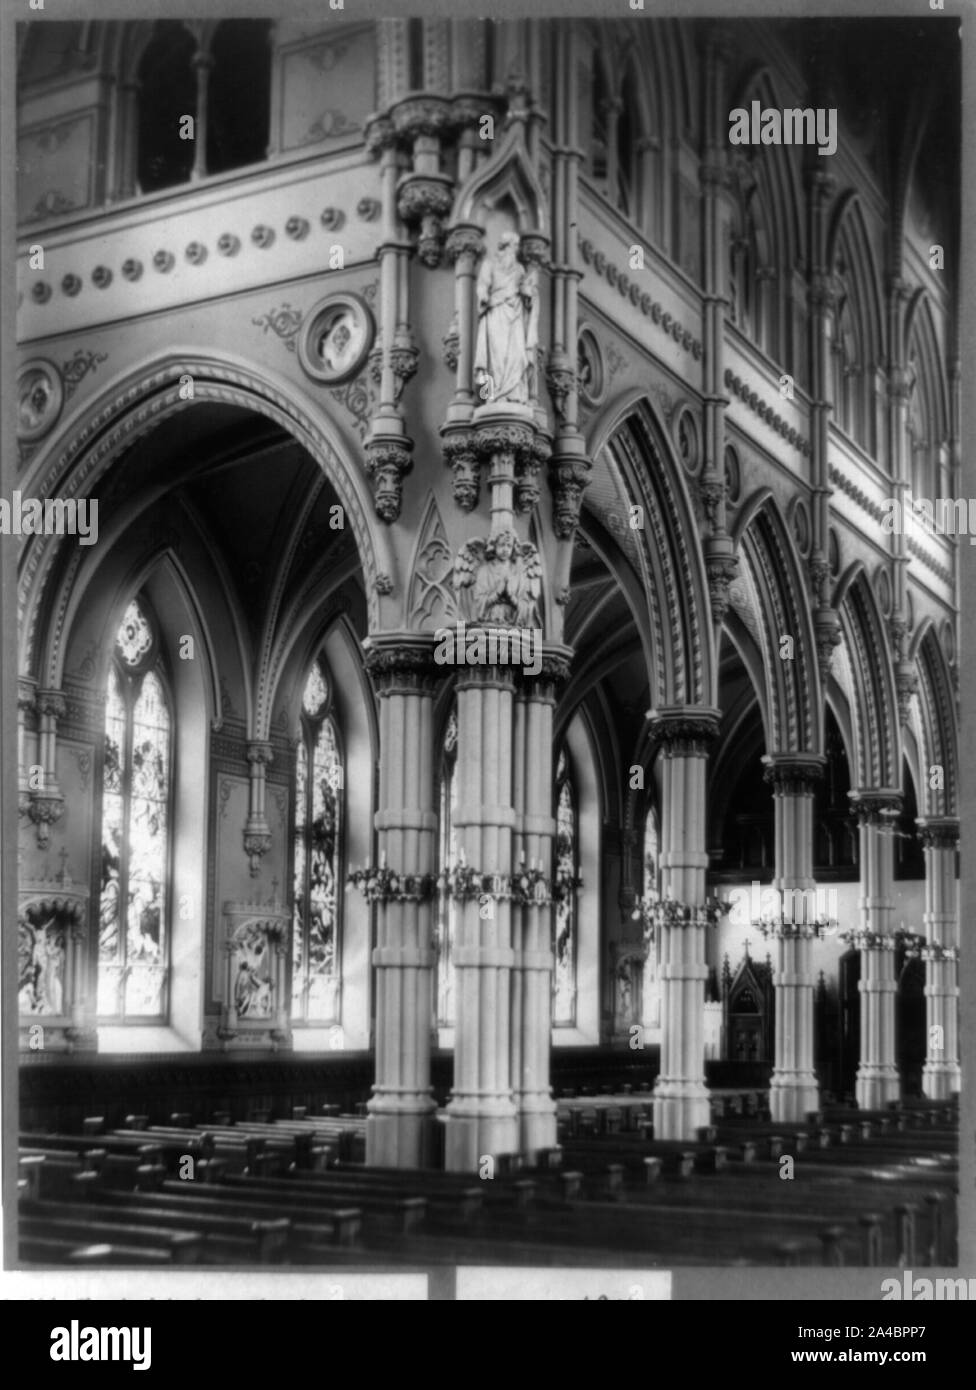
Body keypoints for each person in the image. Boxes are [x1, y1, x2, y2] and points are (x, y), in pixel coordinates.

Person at [474, 233, 537, 404]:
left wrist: (529, 294)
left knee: (517, 356)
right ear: (506, 246)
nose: (516, 249)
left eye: (517, 246)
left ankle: (515, 394)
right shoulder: (490, 264)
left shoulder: (519, 269)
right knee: (494, 357)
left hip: (515, 313)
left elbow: (525, 291)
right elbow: (482, 285)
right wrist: (483, 296)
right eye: (514, 245)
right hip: (496, 311)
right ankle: (489, 397)